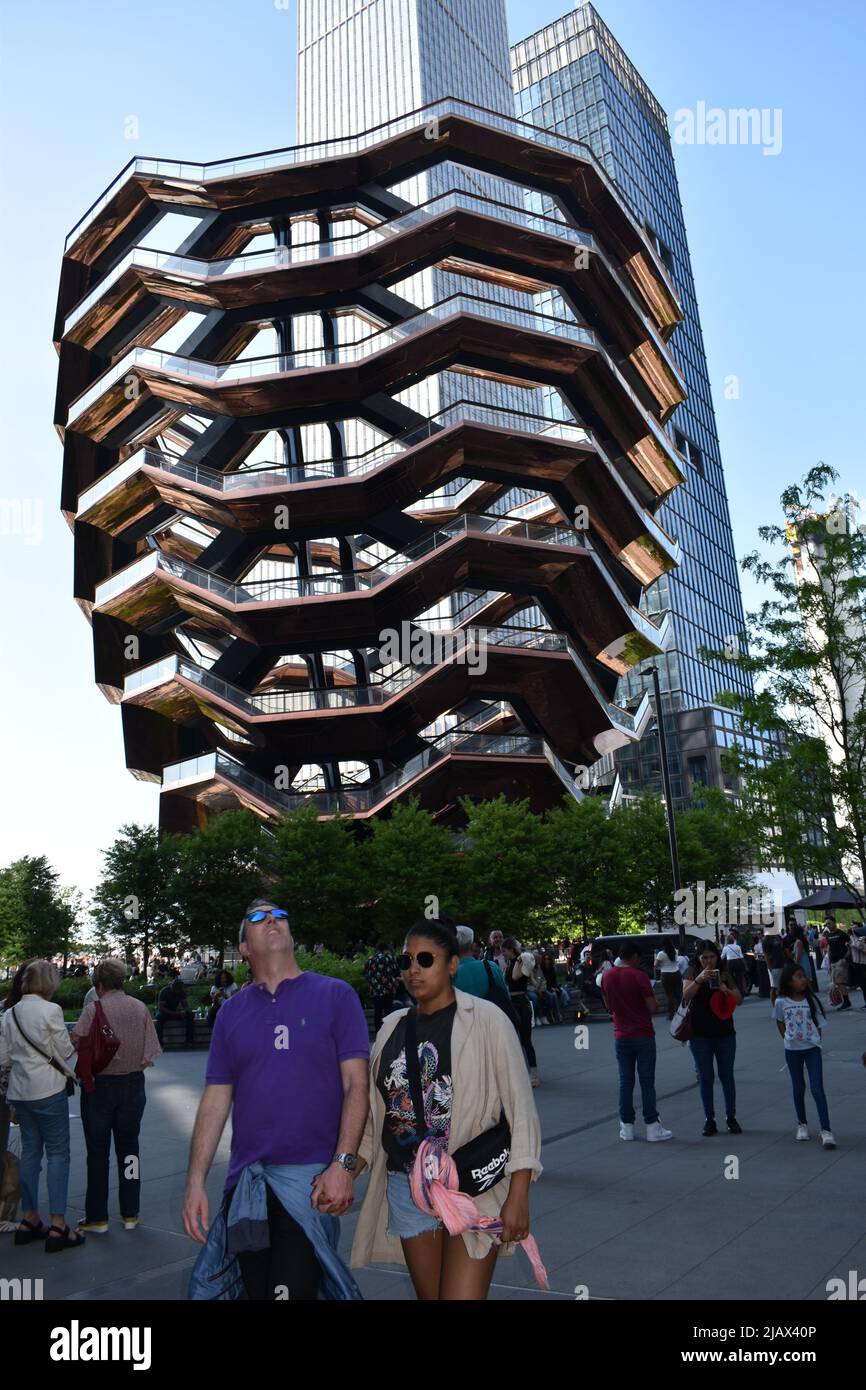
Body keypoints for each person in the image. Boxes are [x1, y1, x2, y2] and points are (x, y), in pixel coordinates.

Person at [183, 899, 370, 1301]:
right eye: (257, 917)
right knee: (257, 1292)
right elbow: (216, 1100)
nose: (272, 919)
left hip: (311, 1183)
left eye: (280, 916)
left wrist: (343, 1165)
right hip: (247, 1187)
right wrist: (196, 1181)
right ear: (244, 948)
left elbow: (357, 1085)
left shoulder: (336, 996)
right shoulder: (230, 1014)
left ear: (291, 934)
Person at [349, 918, 542, 1301]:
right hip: (409, 1188)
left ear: (452, 964)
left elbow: (521, 1111)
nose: (414, 970)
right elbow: (378, 1117)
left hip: (471, 1183)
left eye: (425, 959)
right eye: (406, 962)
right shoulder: (391, 1028)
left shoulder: (488, 1021)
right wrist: (345, 1169)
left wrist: (518, 1195)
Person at [70, 958, 162, 1234]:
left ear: (99, 985)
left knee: (98, 1153)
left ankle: (97, 1217)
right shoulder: (139, 1007)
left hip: (100, 1088)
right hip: (133, 1085)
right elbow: (151, 1052)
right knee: (130, 1150)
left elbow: (76, 1039)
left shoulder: (93, 1009)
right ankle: (130, 1212)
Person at [0, 960, 84, 1252]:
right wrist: (72, 1041)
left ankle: (29, 1218)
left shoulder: (9, 1013)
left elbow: (3, 1058)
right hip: (48, 1090)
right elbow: (64, 1050)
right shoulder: (51, 1010)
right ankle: (58, 1224)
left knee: (32, 1154)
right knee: (58, 1153)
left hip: (20, 1093)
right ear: (49, 982)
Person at [601, 941, 672, 1142]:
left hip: (621, 1035)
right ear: (635, 957)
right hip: (642, 1034)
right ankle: (652, 1126)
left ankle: (627, 1127)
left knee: (626, 1081)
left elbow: (608, 1004)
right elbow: (652, 1007)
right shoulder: (639, 976)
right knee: (647, 1081)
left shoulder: (607, 976)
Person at [682, 942, 742, 1137]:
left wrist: (725, 989)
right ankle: (710, 1119)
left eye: (711, 957)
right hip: (700, 1034)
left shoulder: (723, 972)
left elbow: (739, 998)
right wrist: (699, 980)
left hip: (725, 1032)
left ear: (717, 957)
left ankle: (731, 1117)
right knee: (705, 1077)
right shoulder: (692, 972)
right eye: (704, 958)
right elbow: (685, 995)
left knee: (727, 1076)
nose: (708, 961)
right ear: (698, 959)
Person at [774, 962, 836, 1148]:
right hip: (792, 1050)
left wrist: (816, 1041)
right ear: (788, 981)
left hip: (812, 1050)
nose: (803, 980)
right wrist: (787, 1038)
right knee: (798, 1087)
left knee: (817, 1088)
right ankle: (802, 1124)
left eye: (803, 976)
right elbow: (779, 1022)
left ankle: (826, 1130)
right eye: (799, 976)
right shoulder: (781, 1002)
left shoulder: (812, 1000)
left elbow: (818, 1024)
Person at [501, 939, 539, 1086]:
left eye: (505, 950)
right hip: (512, 1003)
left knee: (525, 1040)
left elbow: (516, 977)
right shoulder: (511, 963)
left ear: (511, 949)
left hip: (522, 1003)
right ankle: (520, 1072)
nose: (503, 953)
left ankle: (534, 1075)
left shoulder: (521, 960)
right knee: (513, 1039)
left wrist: (517, 959)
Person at [363, 942, 402, 1032]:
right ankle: (388, 1031)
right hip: (388, 989)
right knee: (388, 1011)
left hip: (375, 990)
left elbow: (366, 974)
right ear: (386, 949)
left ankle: (378, 1031)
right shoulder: (389, 958)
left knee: (378, 1011)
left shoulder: (371, 959)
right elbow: (396, 972)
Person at [155, 978, 195, 1047]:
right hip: (164, 1012)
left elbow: (185, 1005)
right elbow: (161, 1008)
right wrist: (175, 1013)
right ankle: (159, 1042)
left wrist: (186, 1011)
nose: (178, 991)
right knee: (159, 1019)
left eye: (180, 988)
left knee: (189, 1016)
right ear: (172, 986)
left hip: (175, 1011)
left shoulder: (181, 992)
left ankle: (189, 1040)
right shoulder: (164, 992)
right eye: (177, 988)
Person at [824, 918, 852, 1011]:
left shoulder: (841, 933)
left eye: (829, 923)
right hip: (833, 962)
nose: (828, 925)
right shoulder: (828, 935)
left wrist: (845, 957)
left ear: (834, 923)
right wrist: (829, 963)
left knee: (840, 983)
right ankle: (844, 1001)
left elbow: (850, 944)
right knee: (836, 983)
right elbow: (829, 949)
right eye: (826, 924)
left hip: (841, 960)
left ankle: (846, 1002)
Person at [654, 938, 684, 1020]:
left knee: (669, 995)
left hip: (666, 974)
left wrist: (661, 966)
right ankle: (681, 1013)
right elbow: (676, 961)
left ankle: (671, 1014)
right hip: (676, 973)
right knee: (678, 994)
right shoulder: (676, 951)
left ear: (663, 945)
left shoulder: (661, 954)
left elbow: (655, 965)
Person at [763, 927, 788, 1005]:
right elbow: (766, 954)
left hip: (782, 964)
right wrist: (769, 966)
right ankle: (774, 1005)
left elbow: (783, 948)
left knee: (782, 985)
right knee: (774, 987)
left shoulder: (778, 936)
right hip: (774, 966)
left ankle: (782, 1003)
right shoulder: (766, 940)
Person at [721, 931, 748, 997]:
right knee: (740, 978)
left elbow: (722, 957)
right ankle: (741, 993)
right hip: (738, 962)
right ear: (733, 940)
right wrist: (745, 966)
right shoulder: (737, 947)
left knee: (730, 978)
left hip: (730, 963)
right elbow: (741, 957)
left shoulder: (726, 947)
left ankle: (732, 993)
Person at [847, 924, 866, 1008]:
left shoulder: (862, 938)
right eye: (852, 927)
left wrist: (853, 944)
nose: (853, 929)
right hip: (856, 963)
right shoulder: (851, 937)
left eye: (855, 927)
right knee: (862, 984)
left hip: (863, 963)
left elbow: (863, 948)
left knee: (864, 984)